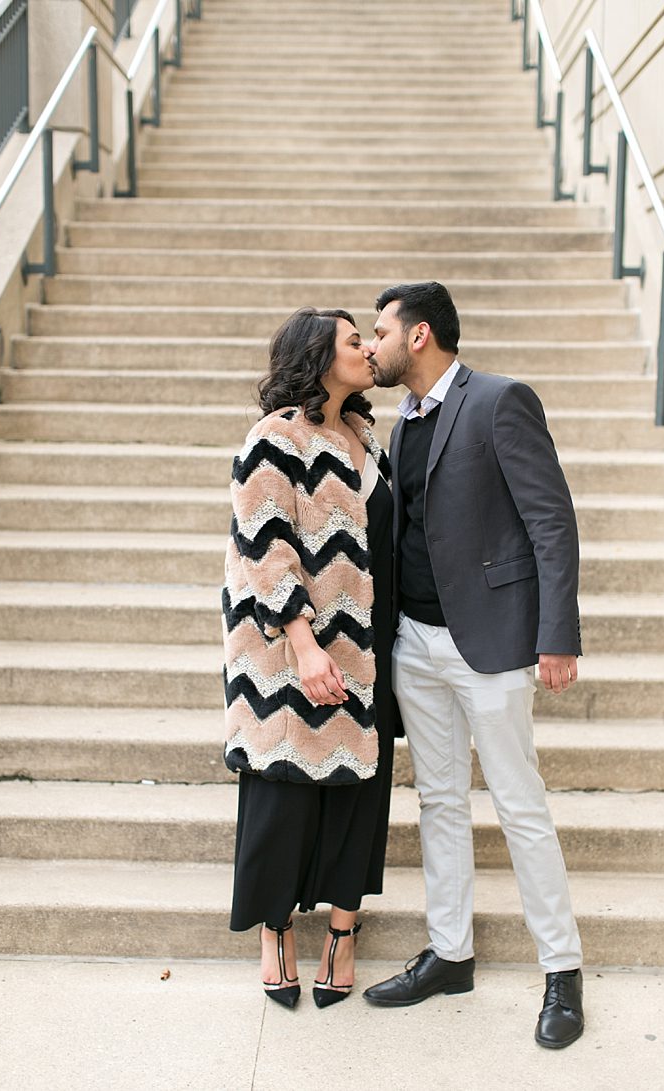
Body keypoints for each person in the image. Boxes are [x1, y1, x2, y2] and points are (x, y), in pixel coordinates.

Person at [360, 281, 585, 1049]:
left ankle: (562, 967)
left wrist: (557, 633)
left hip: (488, 640)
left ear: (420, 335)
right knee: (441, 803)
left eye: (382, 329)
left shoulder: (499, 401)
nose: (372, 343)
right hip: (414, 645)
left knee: (519, 802)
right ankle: (451, 953)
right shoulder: (403, 420)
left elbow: (551, 520)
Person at [222, 307, 398, 1010]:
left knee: (361, 788)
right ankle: (276, 930)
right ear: (319, 356)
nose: (367, 350)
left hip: (369, 643)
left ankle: (343, 932)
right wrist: (304, 644)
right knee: (283, 786)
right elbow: (264, 543)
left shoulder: (366, 438)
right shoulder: (276, 437)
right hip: (294, 646)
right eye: (355, 341)